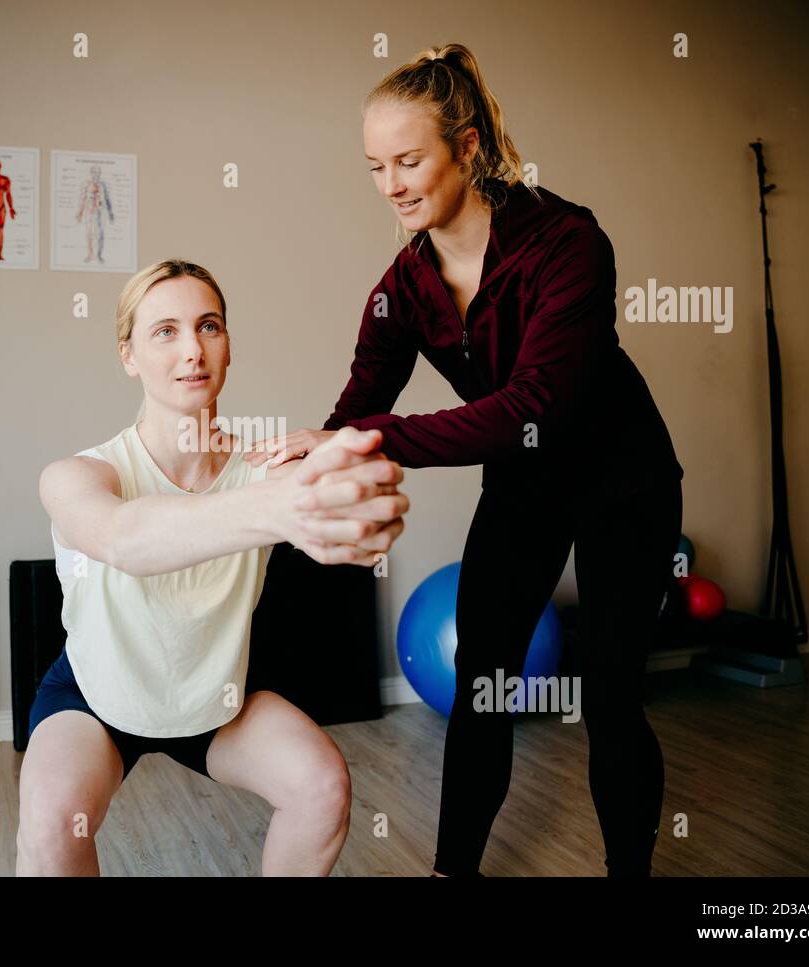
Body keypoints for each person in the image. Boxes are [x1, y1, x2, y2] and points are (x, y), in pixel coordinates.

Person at [248, 43, 684, 877]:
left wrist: (365, 440)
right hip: (527, 487)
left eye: (409, 160)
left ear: (470, 147)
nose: (391, 185)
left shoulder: (567, 243)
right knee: (480, 681)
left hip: (624, 482)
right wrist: (286, 474)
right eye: (376, 166)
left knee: (612, 696)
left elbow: (533, 409)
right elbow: (359, 409)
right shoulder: (401, 287)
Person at [16, 258, 410, 875]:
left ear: (228, 346)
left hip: (215, 696)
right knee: (49, 827)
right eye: (164, 331)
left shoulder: (267, 469)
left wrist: (363, 498)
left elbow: (351, 512)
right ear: (129, 355)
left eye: (209, 326)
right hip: (98, 695)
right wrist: (280, 507)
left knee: (322, 788)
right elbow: (125, 539)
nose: (192, 349)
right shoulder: (80, 475)